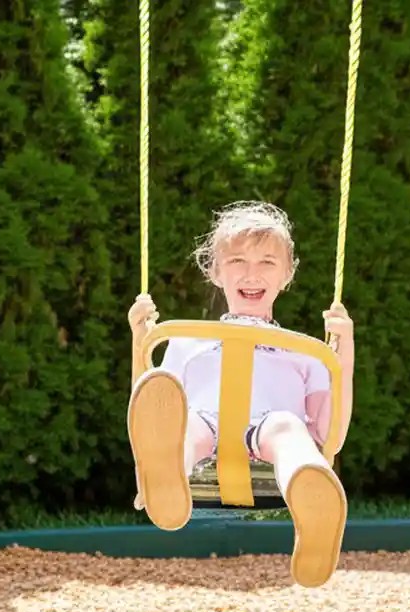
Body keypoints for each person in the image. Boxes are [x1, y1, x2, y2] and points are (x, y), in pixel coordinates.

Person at [125, 201, 355, 587]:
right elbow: (151, 408)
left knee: (288, 428)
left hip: (268, 434)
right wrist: (139, 343)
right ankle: (166, 476)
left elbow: (331, 431)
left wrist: (344, 354)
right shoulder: (185, 341)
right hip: (204, 430)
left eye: (267, 261)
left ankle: (311, 492)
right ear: (215, 271)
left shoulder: (305, 352)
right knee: (185, 428)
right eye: (236, 262)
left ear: (287, 274)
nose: (252, 273)